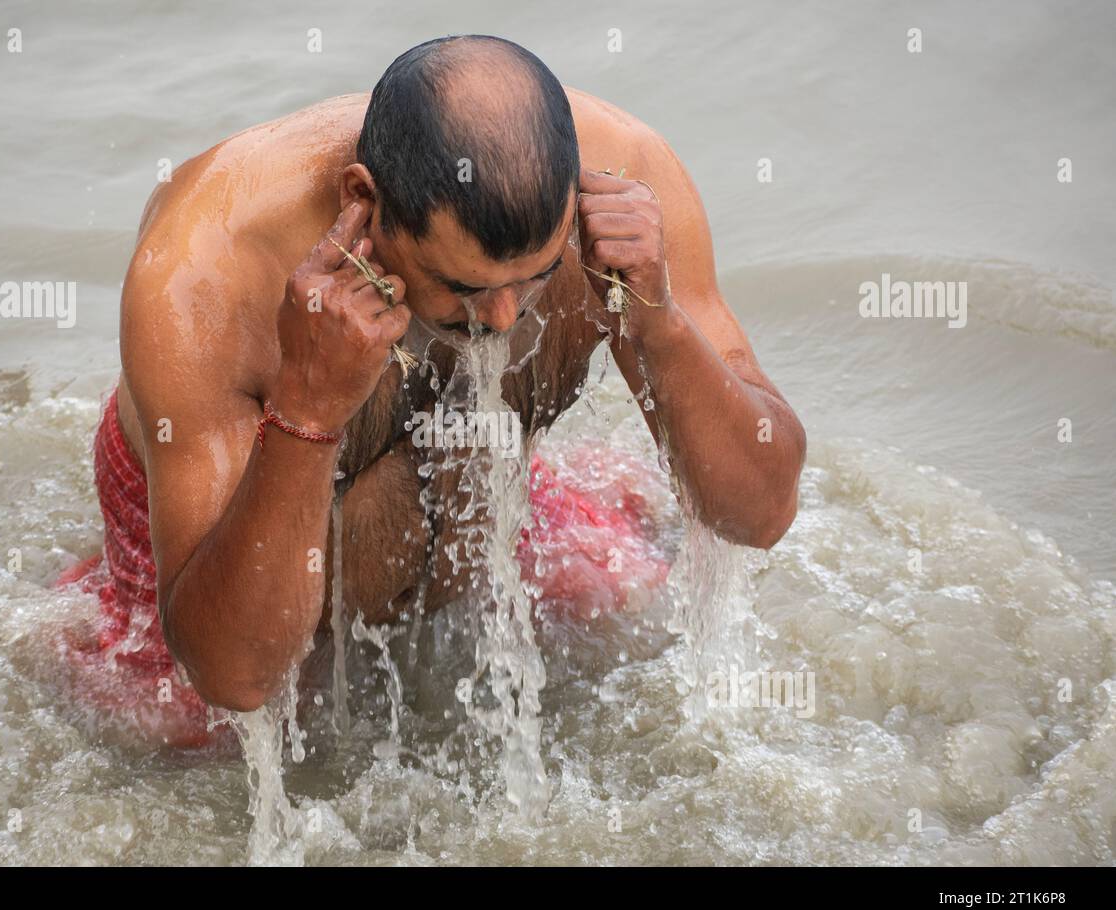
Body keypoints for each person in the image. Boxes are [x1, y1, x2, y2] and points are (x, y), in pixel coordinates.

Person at [57, 35, 805, 746]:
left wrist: (660, 325)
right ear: (365, 201)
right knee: (186, 737)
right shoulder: (205, 266)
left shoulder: (629, 184)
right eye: (463, 287)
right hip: (229, 560)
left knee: (623, 597)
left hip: (479, 506)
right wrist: (308, 406)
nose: (505, 319)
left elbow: (761, 513)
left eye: (539, 279)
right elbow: (233, 676)